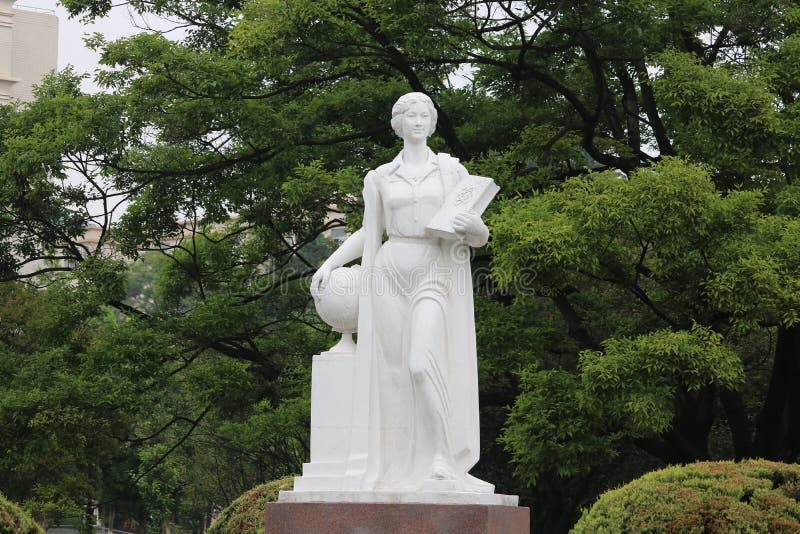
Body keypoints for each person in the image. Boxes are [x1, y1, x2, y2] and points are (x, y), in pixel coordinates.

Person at [311, 92, 493, 493]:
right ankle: (399, 463)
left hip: (434, 269)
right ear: (397, 123)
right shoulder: (380, 177)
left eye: (424, 114)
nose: (417, 120)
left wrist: (473, 227)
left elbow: (478, 234)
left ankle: (444, 457)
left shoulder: (451, 173)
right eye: (409, 114)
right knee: (392, 374)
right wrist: (330, 264)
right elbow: (368, 230)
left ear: (432, 123)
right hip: (390, 272)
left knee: (420, 364)